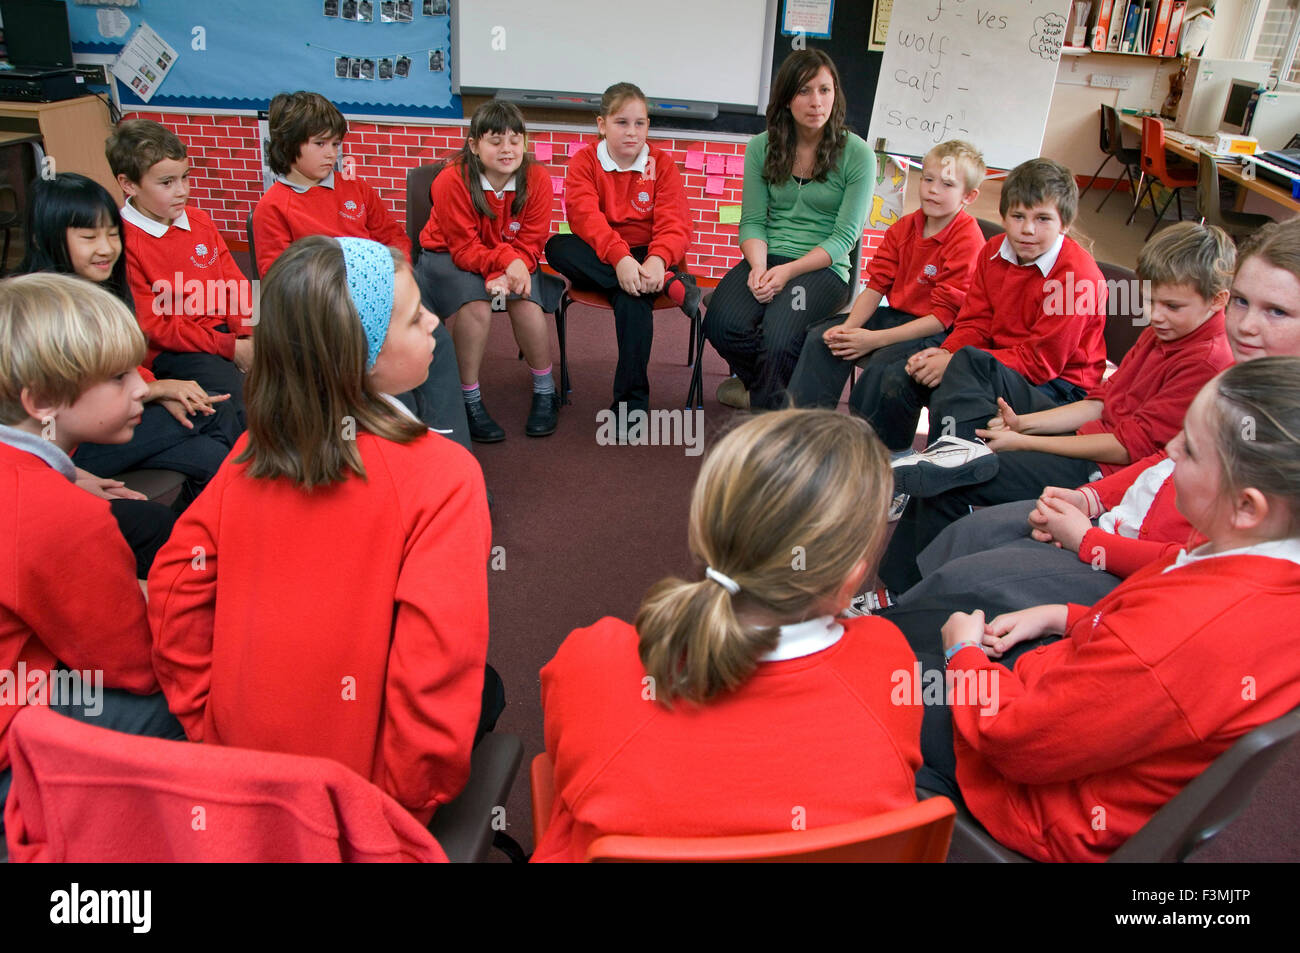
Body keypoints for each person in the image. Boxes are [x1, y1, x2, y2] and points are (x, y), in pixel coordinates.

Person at [149, 237, 495, 824]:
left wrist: (208, 722)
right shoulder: (444, 477)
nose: (435, 320)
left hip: (243, 776)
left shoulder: (248, 456)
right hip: (362, 794)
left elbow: (174, 589)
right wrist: (401, 803)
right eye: (414, 317)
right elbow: (436, 665)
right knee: (487, 689)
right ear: (357, 354)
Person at [935, 358, 1300, 862]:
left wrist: (964, 655)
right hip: (1092, 741)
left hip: (1037, 804)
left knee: (881, 682)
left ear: (1248, 507)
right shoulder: (1260, 562)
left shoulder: (1181, 633)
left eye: (1189, 450)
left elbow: (1014, 740)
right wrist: (1061, 615)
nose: (1168, 452)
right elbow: (1147, 619)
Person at [533, 409, 921, 862]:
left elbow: (569, 766)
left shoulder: (594, 661)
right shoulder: (890, 662)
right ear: (850, 579)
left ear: (704, 526)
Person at [0, 273, 188, 831]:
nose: (141, 388)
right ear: (43, 402)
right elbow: (130, 666)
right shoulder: (63, 515)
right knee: (200, 701)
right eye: (117, 377)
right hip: (15, 736)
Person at [879, 157, 1109, 591]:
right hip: (997, 371)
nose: (1026, 230)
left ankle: (948, 456)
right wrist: (944, 353)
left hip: (1059, 393)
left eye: (1042, 219)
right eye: (1017, 216)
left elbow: (1043, 363)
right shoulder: (992, 251)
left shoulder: (1076, 276)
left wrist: (957, 360)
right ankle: (923, 477)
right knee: (903, 374)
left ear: (1064, 222)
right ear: (1003, 215)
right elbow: (973, 322)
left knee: (966, 368)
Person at [252, 91, 470, 450]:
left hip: (386, 299)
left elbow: (395, 240)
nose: (332, 153)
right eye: (320, 143)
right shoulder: (272, 208)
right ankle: (412, 446)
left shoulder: (357, 189)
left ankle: (453, 449)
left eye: (336, 143)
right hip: (336, 318)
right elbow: (282, 283)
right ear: (289, 144)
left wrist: (389, 280)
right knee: (400, 379)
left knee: (437, 343)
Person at [17, 172, 240, 509]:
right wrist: (157, 390)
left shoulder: (98, 290)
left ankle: (207, 532)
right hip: (65, 444)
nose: (106, 248)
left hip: (107, 421)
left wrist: (156, 390)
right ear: (43, 238)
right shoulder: (39, 309)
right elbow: (79, 391)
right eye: (89, 237)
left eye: (111, 234)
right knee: (215, 415)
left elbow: (122, 365)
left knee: (208, 455)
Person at [704, 50, 874, 411]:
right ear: (785, 99)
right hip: (769, 257)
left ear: (836, 95)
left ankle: (767, 424)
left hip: (823, 268)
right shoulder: (760, 147)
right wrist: (760, 268)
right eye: (804, 91)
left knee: (778, 339)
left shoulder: (858, 154)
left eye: (825, 90)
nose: (817, 102)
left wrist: (789, 272)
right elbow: (752, 220)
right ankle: (775, 392)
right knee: (721, 323)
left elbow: (846, 237)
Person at [788, 139, 985, 449]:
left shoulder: (967, 239)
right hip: (896, 317)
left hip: (936, 331)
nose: (932, 189)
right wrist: (850, 328)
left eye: (947, 184)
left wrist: (872, 340)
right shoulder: (903, 228)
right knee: (823, 338)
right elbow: (876, 286)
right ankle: (804, 436)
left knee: (887, 375)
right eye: (928, 179)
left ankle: (884, 458)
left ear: (968, 196)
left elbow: (941, 318)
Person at [545, 82, 697, 419]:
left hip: (650, 256)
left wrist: (656, 260)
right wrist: (620, 260)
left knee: (632, 301)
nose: (632, 132)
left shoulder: (661, 163)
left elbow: (676, 221)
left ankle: (630, 410)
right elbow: (585, 218)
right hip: (605, 255)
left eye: (640, 123)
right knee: (557, 246)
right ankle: (661, 282)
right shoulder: (585, 161)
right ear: (602, 124)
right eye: (621, 122)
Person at [417, 100, 563, 440]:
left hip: (510, 259)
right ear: (474, 145)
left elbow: (531, 243)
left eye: (515, 139)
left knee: (526, 303)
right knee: (477, 306)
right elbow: (464, 249)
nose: (507, 149)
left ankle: (545, 391)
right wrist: (505, 264)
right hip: (446, 256)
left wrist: (509, 268)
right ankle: (468, 399)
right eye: (495, 140)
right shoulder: (451, 180)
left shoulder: (538, 179)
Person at [108, 119, 254, 427]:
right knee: (236, 401)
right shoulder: (122, 240)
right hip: (177, 350)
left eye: (185, 178)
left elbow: (235, 283)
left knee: (300, 363)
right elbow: (155, 327)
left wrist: (247, 335)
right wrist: (231, 348)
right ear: (129, 184)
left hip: (228, 334)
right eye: (167, 183)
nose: (182, 191)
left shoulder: (199, 220)